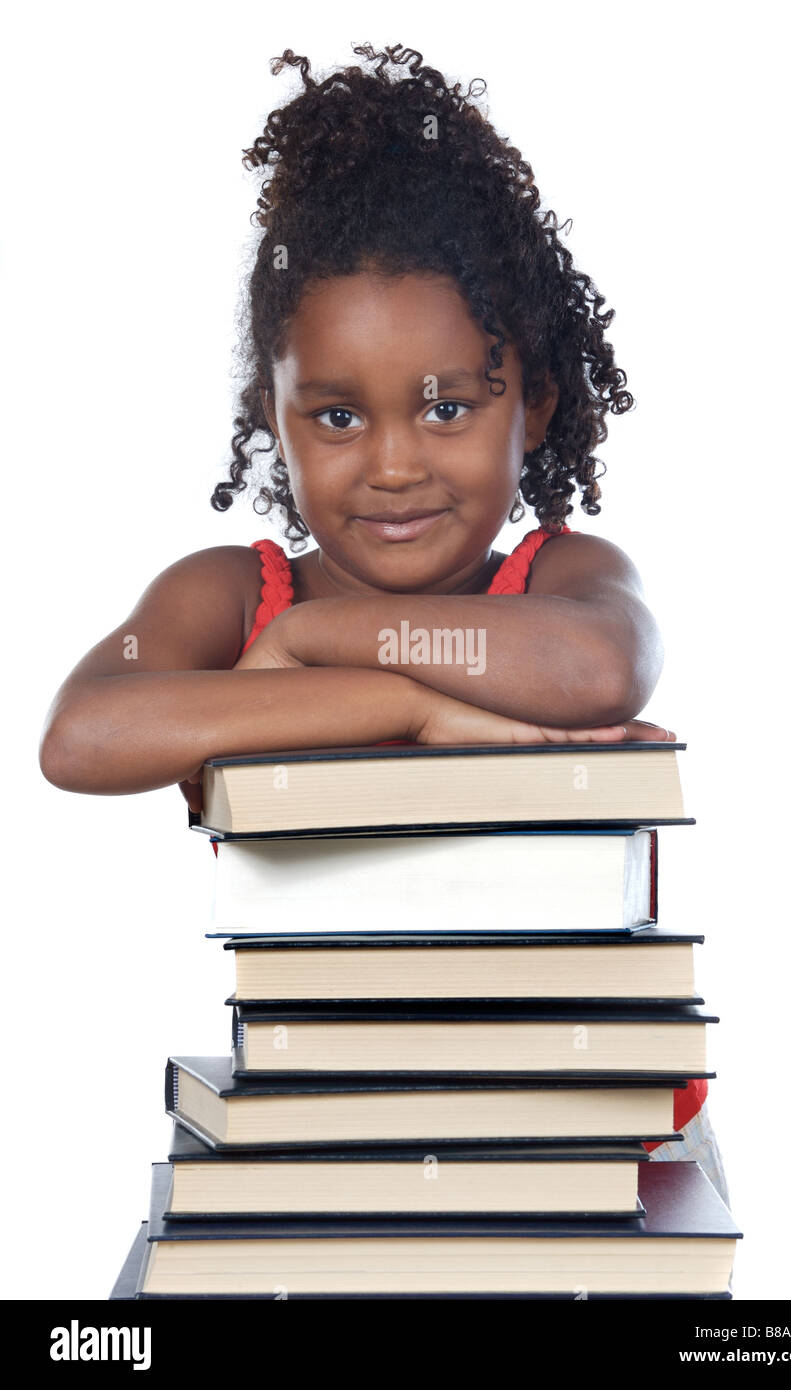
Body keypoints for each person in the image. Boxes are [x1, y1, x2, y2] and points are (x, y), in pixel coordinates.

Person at [39, 41, 729, 1206]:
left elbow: (600, 664)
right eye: (340, 413)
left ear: (536, 404)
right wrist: (409, 703)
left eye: (450, 405)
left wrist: (316, 648)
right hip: (326, 1116)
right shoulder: (230, 594)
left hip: (568, 1115)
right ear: (275, 413)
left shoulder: (559, 576)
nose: (395, 464)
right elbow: (82, 738)